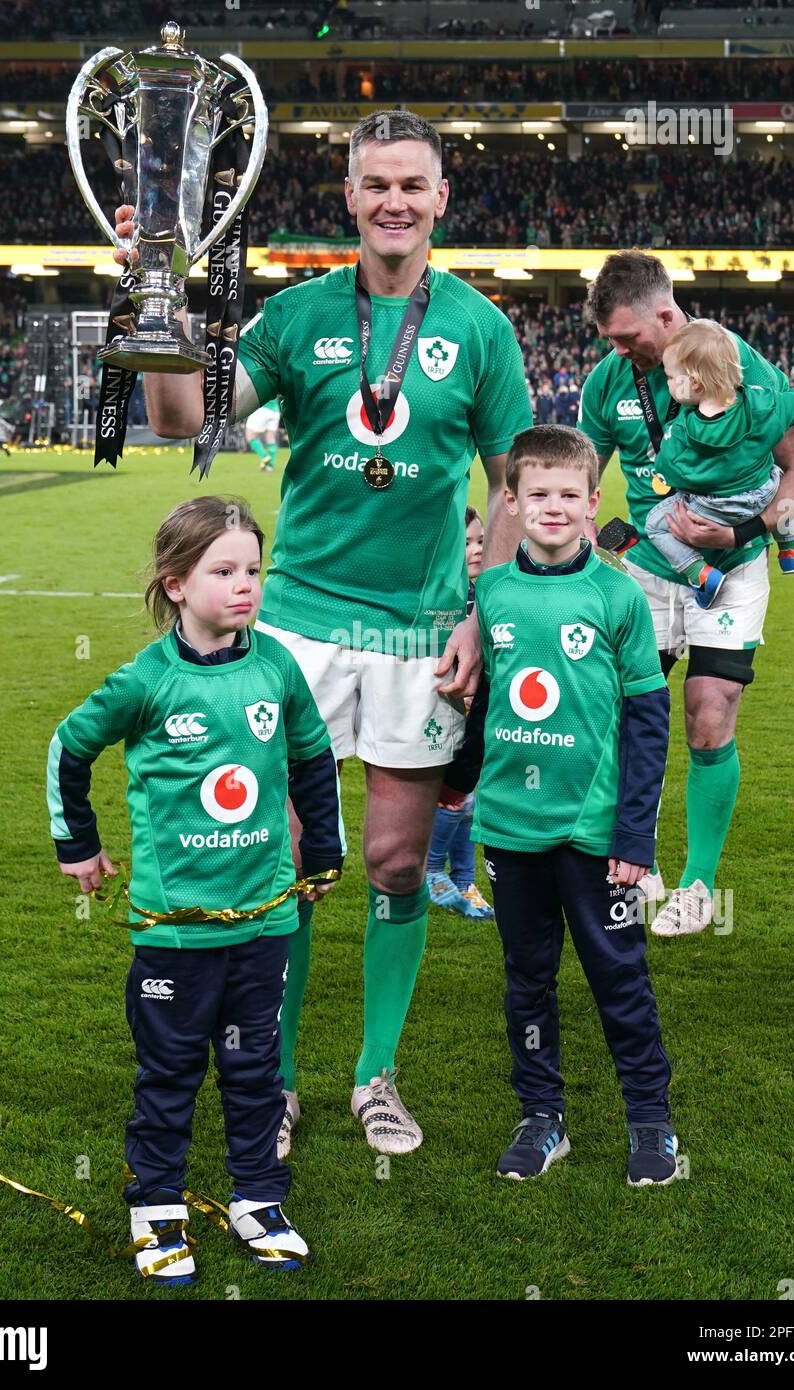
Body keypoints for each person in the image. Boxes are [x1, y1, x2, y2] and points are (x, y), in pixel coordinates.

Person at [119, 109, 532, 1156]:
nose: (393, 200)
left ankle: (375, 1076)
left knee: (396, 863)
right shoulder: (298, 315)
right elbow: (179, 422)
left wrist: (485, 619)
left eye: (412, 184)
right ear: (347, 197)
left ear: (441, 198)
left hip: (420, 630)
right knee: (294, 860)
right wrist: (153, 291)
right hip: (297, 623)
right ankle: (279, 1078)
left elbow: (515, 483)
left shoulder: (480, 328)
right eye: (375, 184)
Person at [46, 496, 345, 1284]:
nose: (245, 585)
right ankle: (156, 1206)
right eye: (223, 571)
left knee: (256, 1071)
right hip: (176, 931)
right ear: (177, 584)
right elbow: (69, 747)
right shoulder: (145, 682)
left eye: (253, 569)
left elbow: (314, 758)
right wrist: (78, 844)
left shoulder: (275, 664)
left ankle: (257, 1197)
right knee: (171, 1073)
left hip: (266, 918)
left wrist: (323, 851)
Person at [442, 425, 677, 1186]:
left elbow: (648, 719)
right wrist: (460, 780)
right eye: (536, 493)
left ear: (591, 502)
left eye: (567, 495)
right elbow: (486, 705)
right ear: (511, 500)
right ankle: (542, 1118)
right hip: (511, 826)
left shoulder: (616, 596)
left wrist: (634, 834)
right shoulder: (494, 591)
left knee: (620, 980)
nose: (552, 506)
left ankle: (651, 1123)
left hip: (595, 832)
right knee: (526, 977)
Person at [578, 251, 794, 937]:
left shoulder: (737, 364)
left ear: (667, 315)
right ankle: (638, 861)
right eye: (610, 342)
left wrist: (742, 529)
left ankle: (698, 886)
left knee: (708, 714)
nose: (620, 351)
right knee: (632, 717)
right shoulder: (607, 381)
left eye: (629, 338)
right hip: (648, 571)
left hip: (735, 564)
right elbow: (580, 475)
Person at [645, 319, 794, 609]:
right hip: (763, 496)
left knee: (655, 524)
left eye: (672, 378)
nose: (667, 383)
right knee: (781, 479)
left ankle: (701, 575)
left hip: (714, 511)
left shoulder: (682, 429)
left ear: (696, 383)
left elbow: (670, 470)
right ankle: (791, 549)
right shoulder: (762, 403)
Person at [425, 505, 495, 921]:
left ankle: (465, 880)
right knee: (456, 794)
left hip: (482, 709)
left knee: (470, 797)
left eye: (481, 542)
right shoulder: (442, 596)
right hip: (445, 708)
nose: (475, 551)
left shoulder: (490, 592)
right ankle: (433, 870)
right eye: (464, 543)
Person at [245, 397, 281, 471]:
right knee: (270, 438)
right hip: (275, 411)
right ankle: (270, 465)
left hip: (262, 409)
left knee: (250, 435)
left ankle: (264, 456)